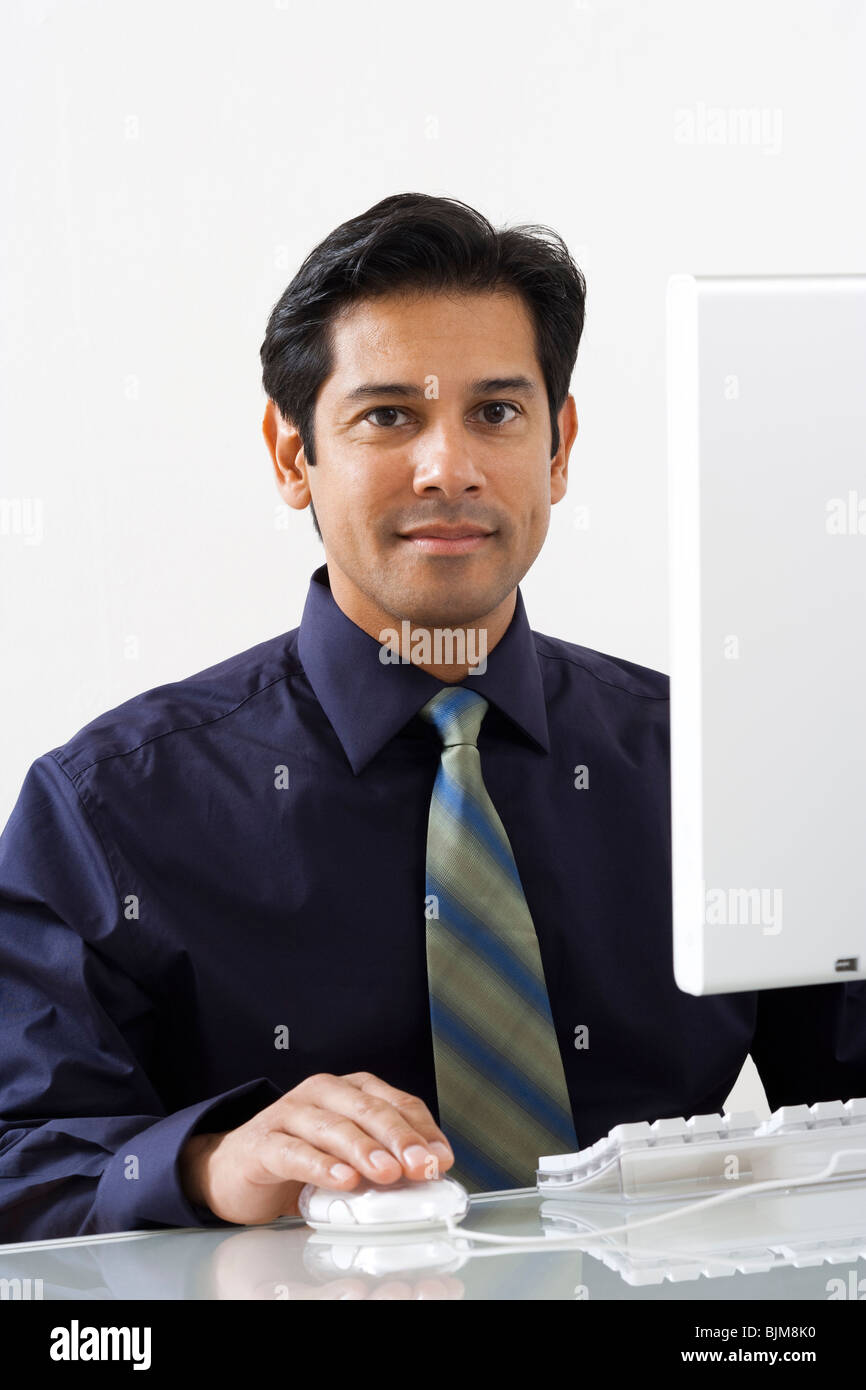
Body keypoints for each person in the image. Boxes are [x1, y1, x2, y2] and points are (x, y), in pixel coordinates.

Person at [1, 193, 864, 1243]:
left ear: (558, 446)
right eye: (388, 416)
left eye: (496, 413)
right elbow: (18, 1154)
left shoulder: (724, 761)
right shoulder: (109, 808)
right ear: (290, 455)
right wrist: (206, 1160)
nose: (447, 466)